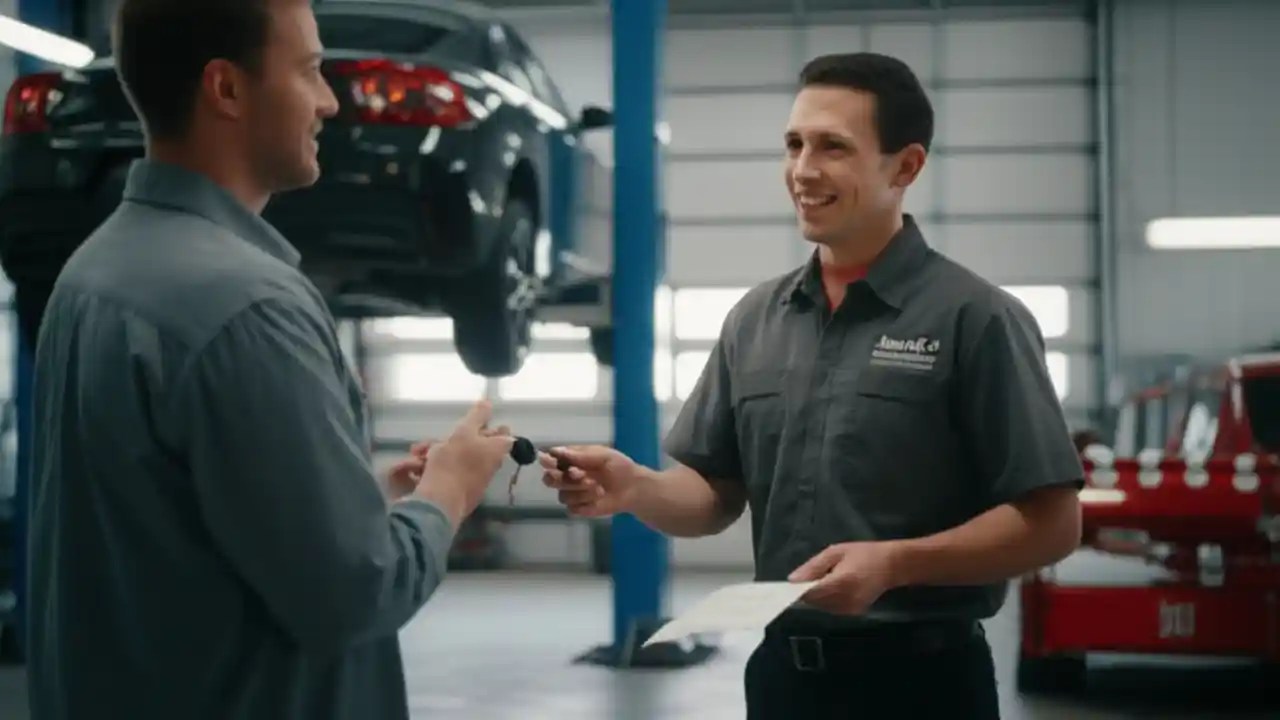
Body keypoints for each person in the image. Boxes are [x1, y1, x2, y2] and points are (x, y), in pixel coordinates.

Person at [542, 51, 1083, 719]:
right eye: (794, 144)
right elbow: (714, 496)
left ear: (905, 166)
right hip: (783, 682)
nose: (802, 170)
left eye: (833, 147)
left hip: (922, 686)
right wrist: (635, 488)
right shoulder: (756, 319)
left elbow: (1052, 523)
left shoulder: (976, 319)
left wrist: (897, 564)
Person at [25, 1, 515, 718]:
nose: (329, 100)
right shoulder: (246, 306)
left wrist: (355, 494)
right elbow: (356, 592)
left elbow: (164, 517)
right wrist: (450, 491)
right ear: (225, 88)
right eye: (312, 70)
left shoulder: (95, 272)